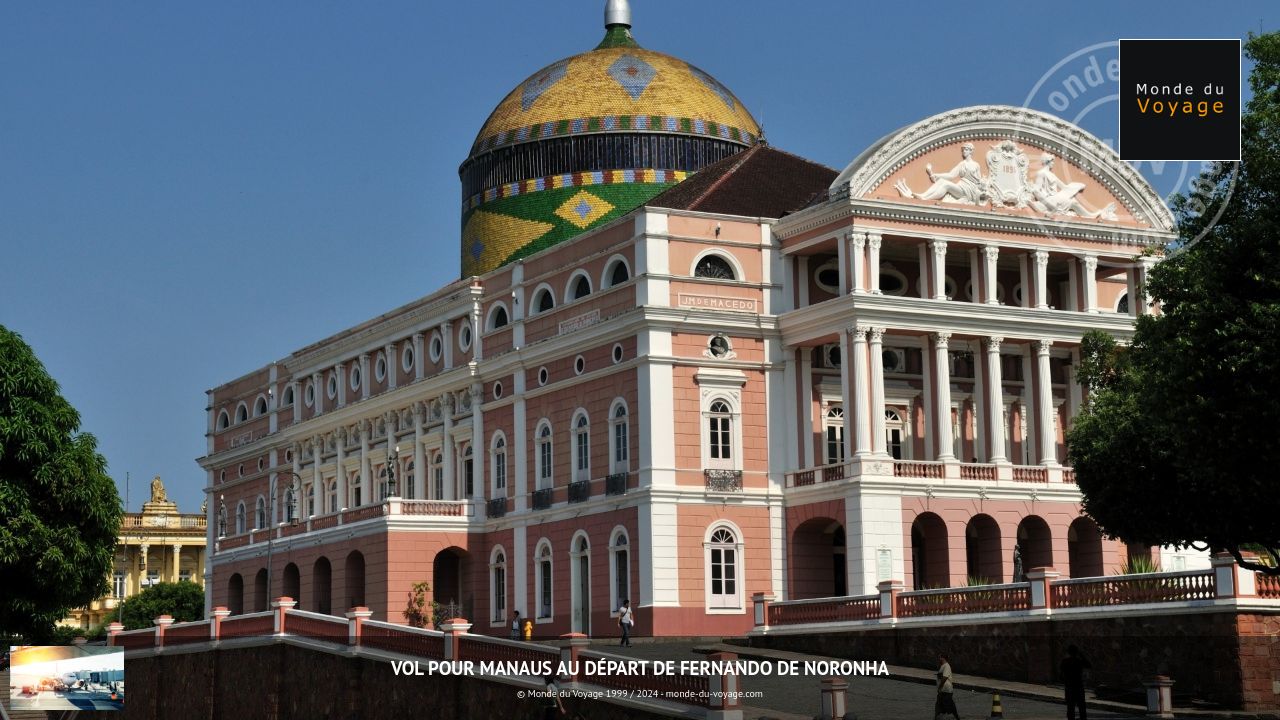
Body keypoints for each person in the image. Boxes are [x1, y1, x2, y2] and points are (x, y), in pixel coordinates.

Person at [1061, 644, 1092, 720]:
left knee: (1070, 709)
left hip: (1069, 688)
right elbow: (1089, 665)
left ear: (1068, 652)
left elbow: (1061, 674)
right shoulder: (1079, 661)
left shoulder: (1064, 661)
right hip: (1078, 687)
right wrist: (1082, 655)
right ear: (1076, 652)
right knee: (1082, 708)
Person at [935, 653, 960, 720]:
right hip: (943, 691)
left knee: (949, 706)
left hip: (946, 691)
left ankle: (956, 717)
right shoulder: (942, 666)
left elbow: (945, 677)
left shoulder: (946, 666)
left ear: (943, 658)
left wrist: (940, 686)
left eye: (940, 657)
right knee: (939, 706)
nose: (939, 659)